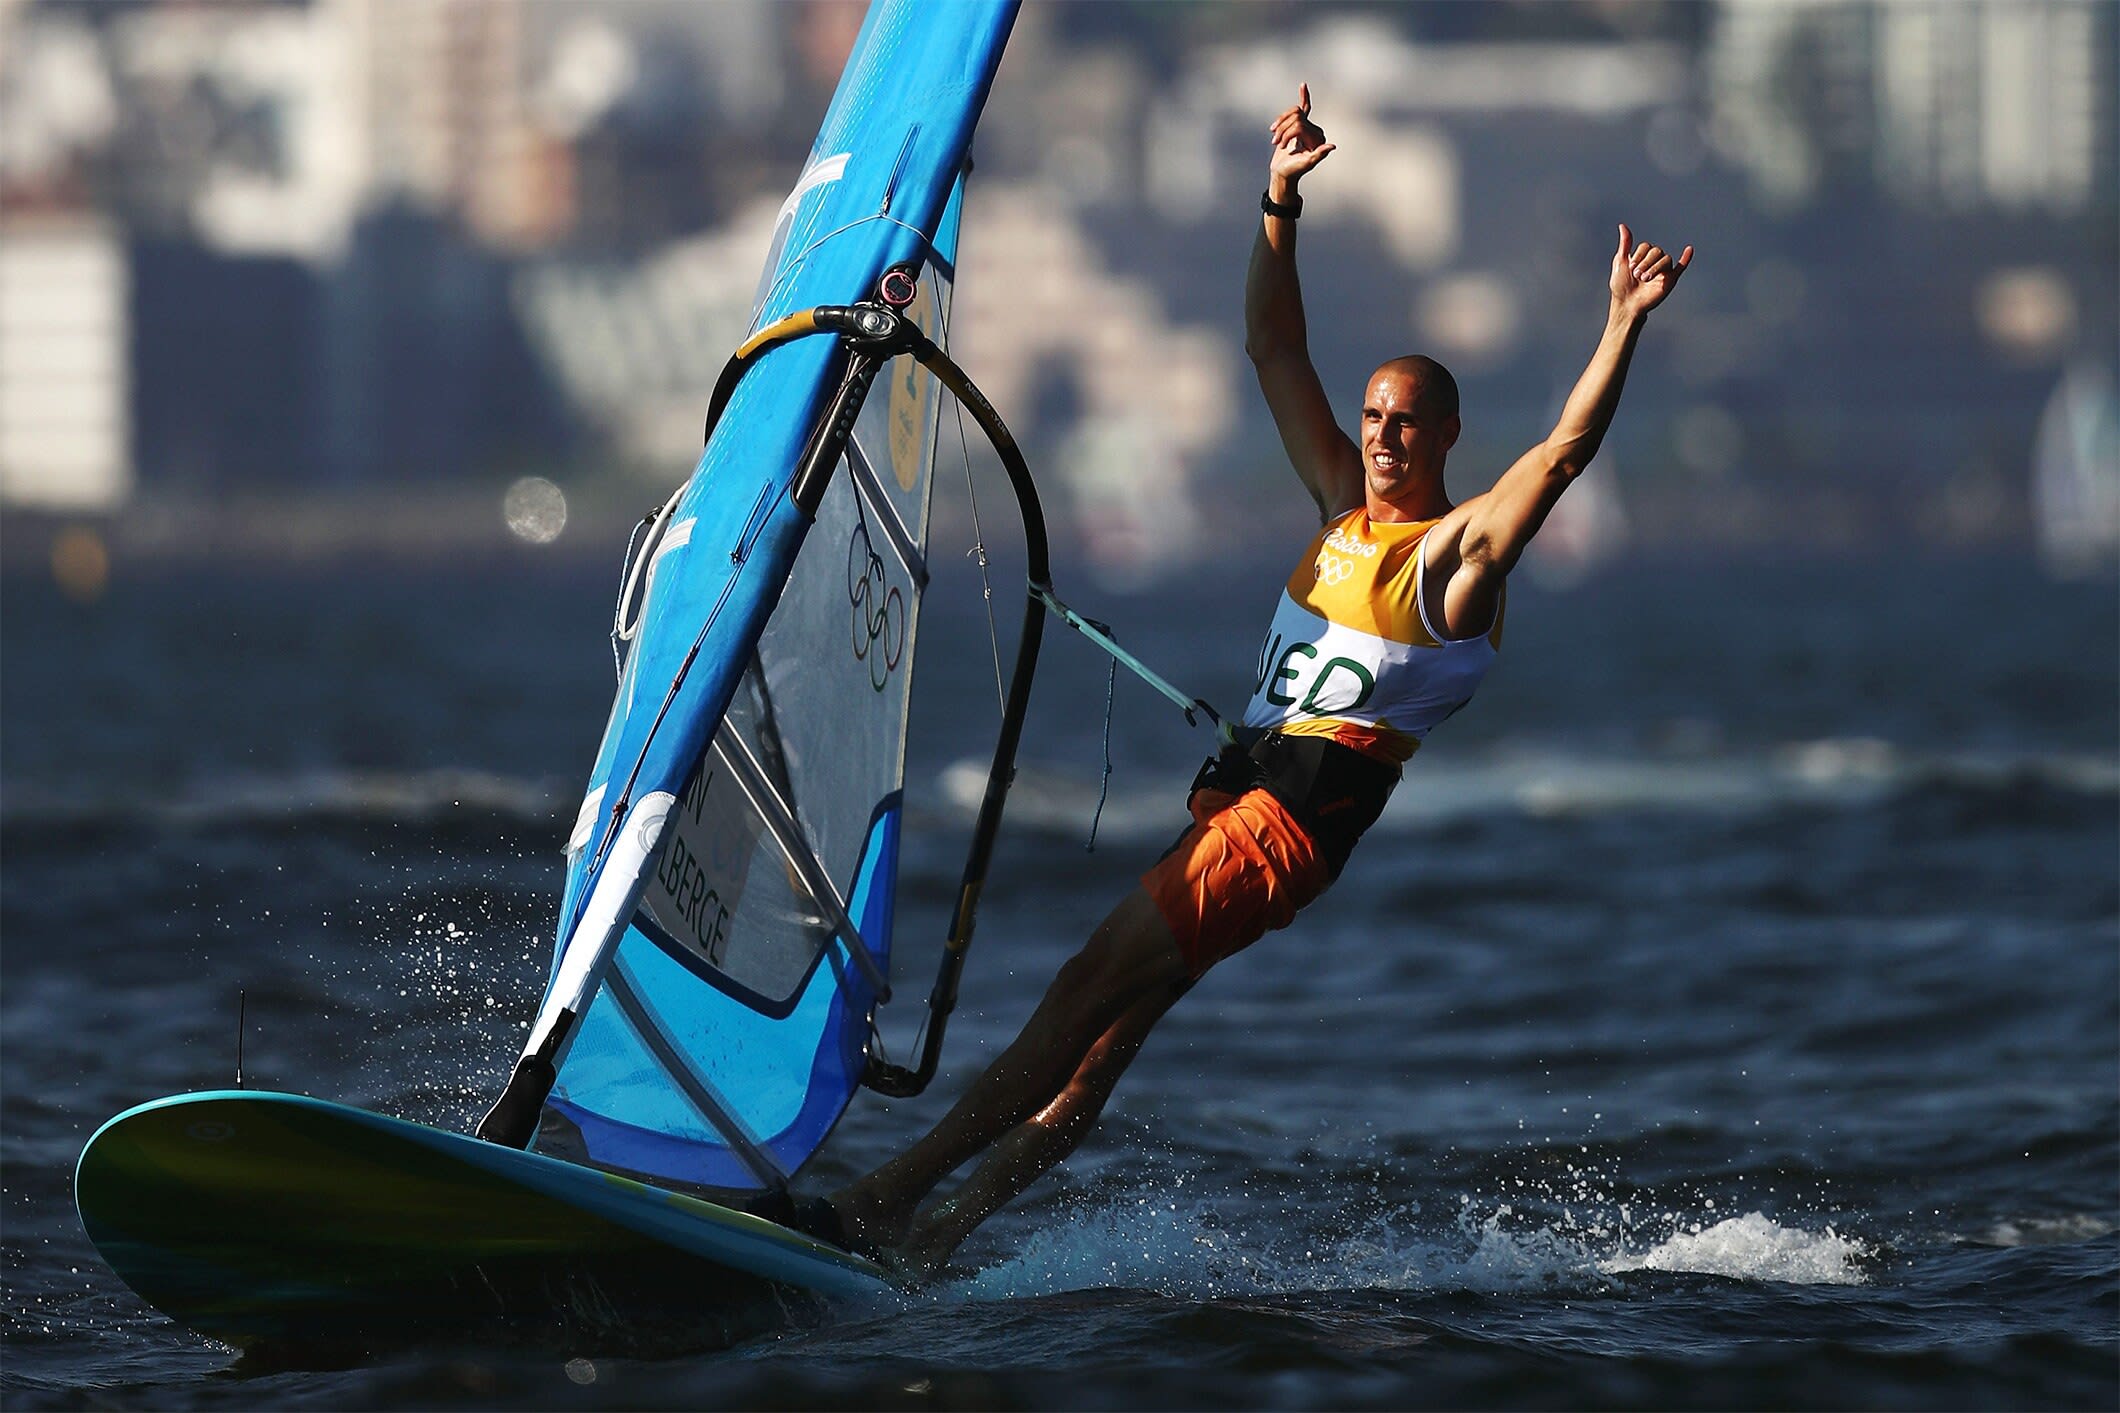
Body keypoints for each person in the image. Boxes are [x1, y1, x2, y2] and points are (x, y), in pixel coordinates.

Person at [820, 84, 1691, 1274]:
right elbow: (1273, 348)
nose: (1379, 435)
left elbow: (1562, 455)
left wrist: (1620, 323)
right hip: (1240, 806)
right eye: (1372, 416)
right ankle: (934, 1240)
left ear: (1445, 436)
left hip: (1280, 827)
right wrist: (1278, 201)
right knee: (1093, 1052)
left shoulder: (1451, 563)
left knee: (1079, 988)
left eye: (1404, 422)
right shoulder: (1338, 508)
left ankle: (882, 1199)